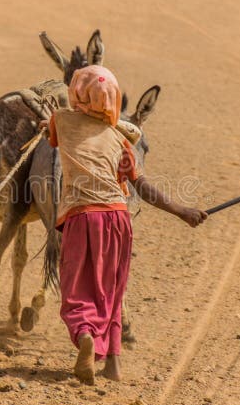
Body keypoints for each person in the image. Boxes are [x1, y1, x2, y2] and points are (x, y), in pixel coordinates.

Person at [43, 65, 208, 385]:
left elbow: (51, 137)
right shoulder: (122, 139)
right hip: (119, 219)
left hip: (82, 215)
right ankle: (114, 364)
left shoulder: (62, 121)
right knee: (112, 291)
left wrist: (46, 122)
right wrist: (182, 211)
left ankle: (86, 335)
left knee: (77, 291)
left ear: (77, 92)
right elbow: (142, 187)